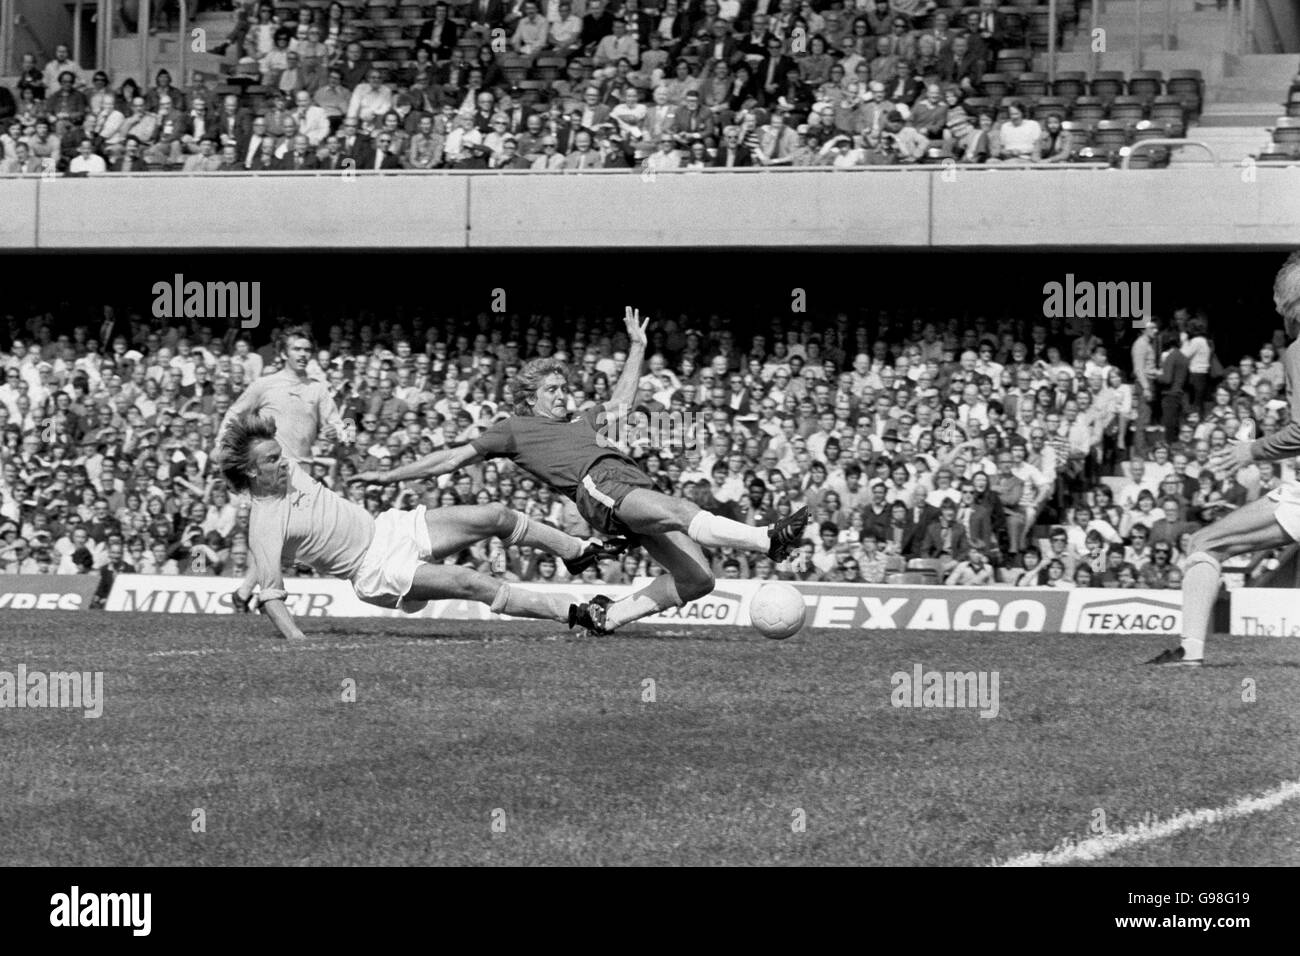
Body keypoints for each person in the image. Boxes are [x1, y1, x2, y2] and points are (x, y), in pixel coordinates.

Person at [354, 307, 808, 634]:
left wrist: (637, 347)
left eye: (564, 387)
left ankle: (609, 617)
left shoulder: (583, 419)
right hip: (599, 487)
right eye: (553, 388)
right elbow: (450, 459)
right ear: (530, 396)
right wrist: (388, 476)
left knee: (699, 580)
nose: (562, 394)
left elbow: (624, 402)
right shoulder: (513, 429)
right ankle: (767, 539)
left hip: (628, 485)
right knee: (681, 508)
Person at [221, 413, 596, 639]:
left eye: (280, 454)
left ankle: (577, 552)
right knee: (473, 581)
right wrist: (298, 642)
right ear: (252, 471)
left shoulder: (288, 471)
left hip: (388, 528)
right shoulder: (263, 524)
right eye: (272, 459)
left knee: (494, 514)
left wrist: (345, 439)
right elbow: (271, 596)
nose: (284, 462)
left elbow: (312, 423)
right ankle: (574, 613)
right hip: (373, 570)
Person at [1150, 251, 1300, 666]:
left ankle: (1189, 654)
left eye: (1277, 300)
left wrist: (1246, 451)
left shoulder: (1299, 351)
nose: (1275, 309)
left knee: (1204, 543)